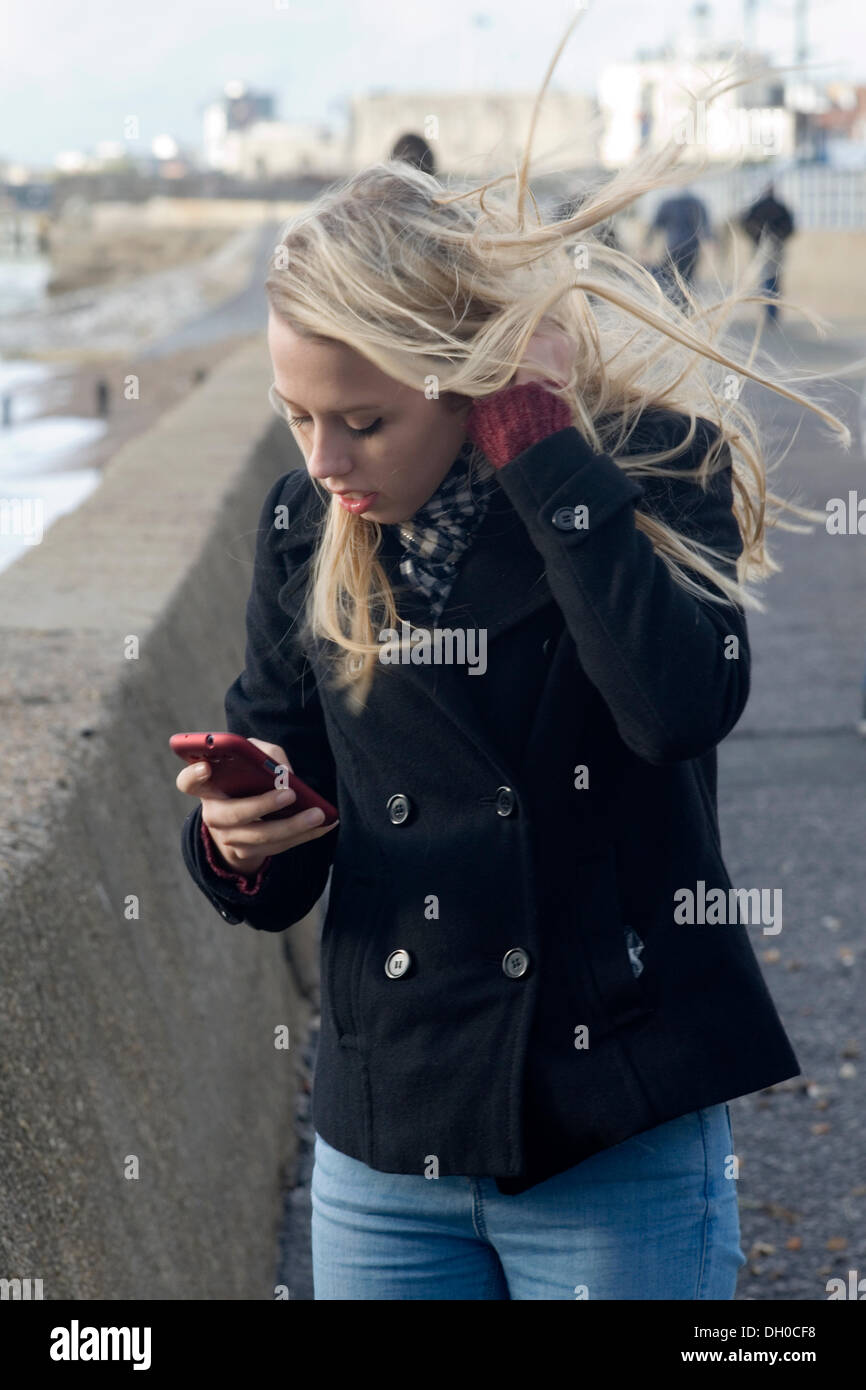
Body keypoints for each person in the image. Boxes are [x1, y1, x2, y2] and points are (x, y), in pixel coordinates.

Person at [175, 25, 849, 1301]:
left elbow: (674, 709)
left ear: (469, 377)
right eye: (296, 415)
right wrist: (241, 834)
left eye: (363, 420)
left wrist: (543, 452)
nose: (322, 459)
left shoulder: (653, 471)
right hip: (388, 1130)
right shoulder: (301, 530)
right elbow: (289, 838)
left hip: (610, 1126)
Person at [642, 186, 712, 308]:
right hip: (692, 249)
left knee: (672, 280)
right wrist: (709, 245)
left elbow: (654, 228)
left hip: (673, 248)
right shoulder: (697, 203)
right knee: (688, 280)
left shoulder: (667, 203)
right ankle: (686, 308)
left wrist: (646, 245)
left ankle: (675, 307)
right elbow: (706, 229)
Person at [740, 183, 795, 325]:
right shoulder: (781, 207)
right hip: (777, 247)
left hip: (761, 248)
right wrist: (778, 236)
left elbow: (745, 223)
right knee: (775, 278)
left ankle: (769, 312)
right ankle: (773, 312)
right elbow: (791, 228)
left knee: (765, 278)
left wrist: (757, 237)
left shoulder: (757, 207)